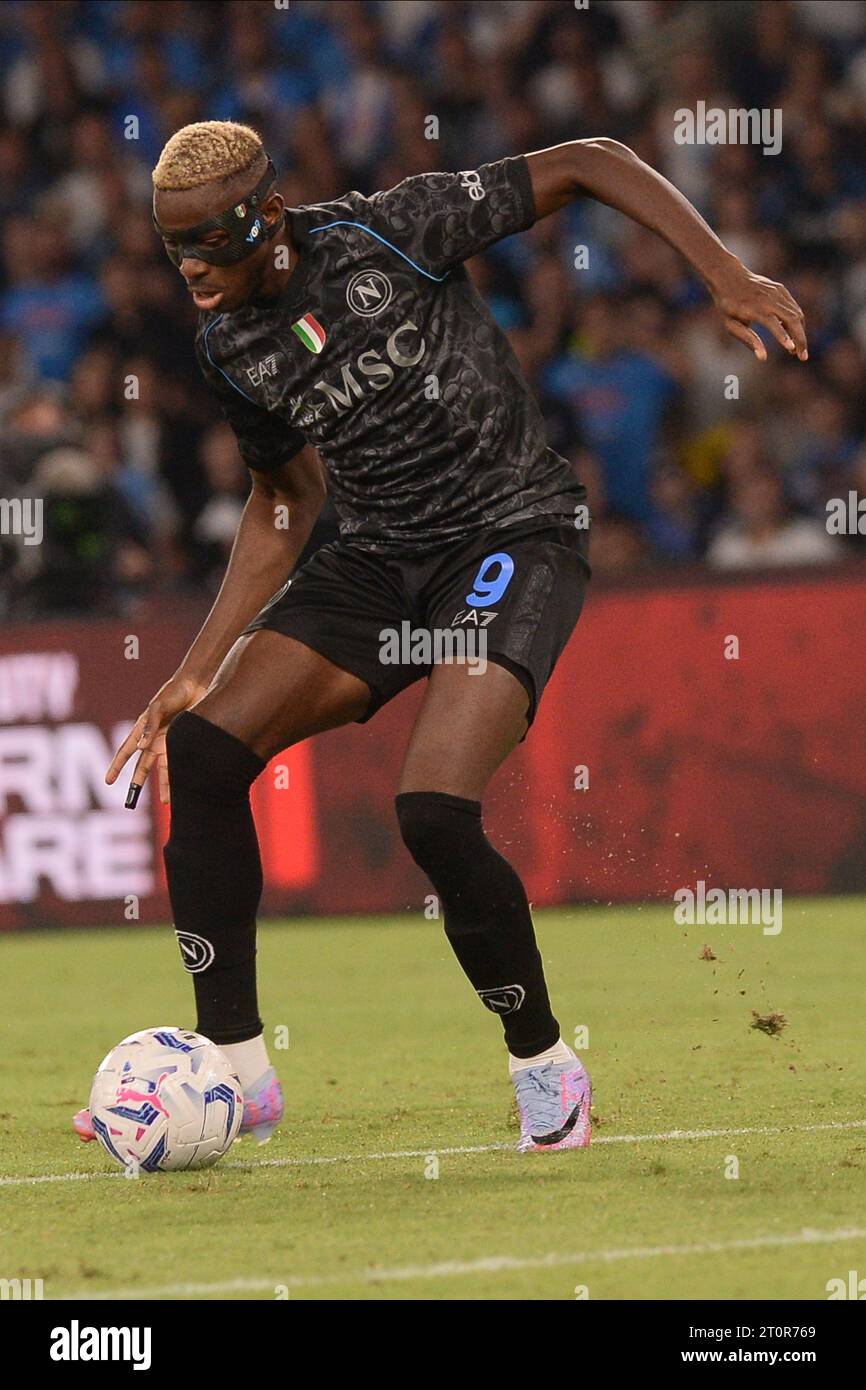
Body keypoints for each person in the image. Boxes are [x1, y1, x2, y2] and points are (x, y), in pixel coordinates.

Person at [73, 121, 807, 1153]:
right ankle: (236, 1072)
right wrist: (197, 668)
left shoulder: (392, 231)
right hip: (377, 560)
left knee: (429, 808)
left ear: (268, 218)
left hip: (510, 535)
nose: (191, 268)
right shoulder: (228, 342)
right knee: (201, 751)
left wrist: (723, 275)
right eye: (172, 247)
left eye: (211, 243)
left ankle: (543, 1065)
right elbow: (285, 499)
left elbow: (589, 160)